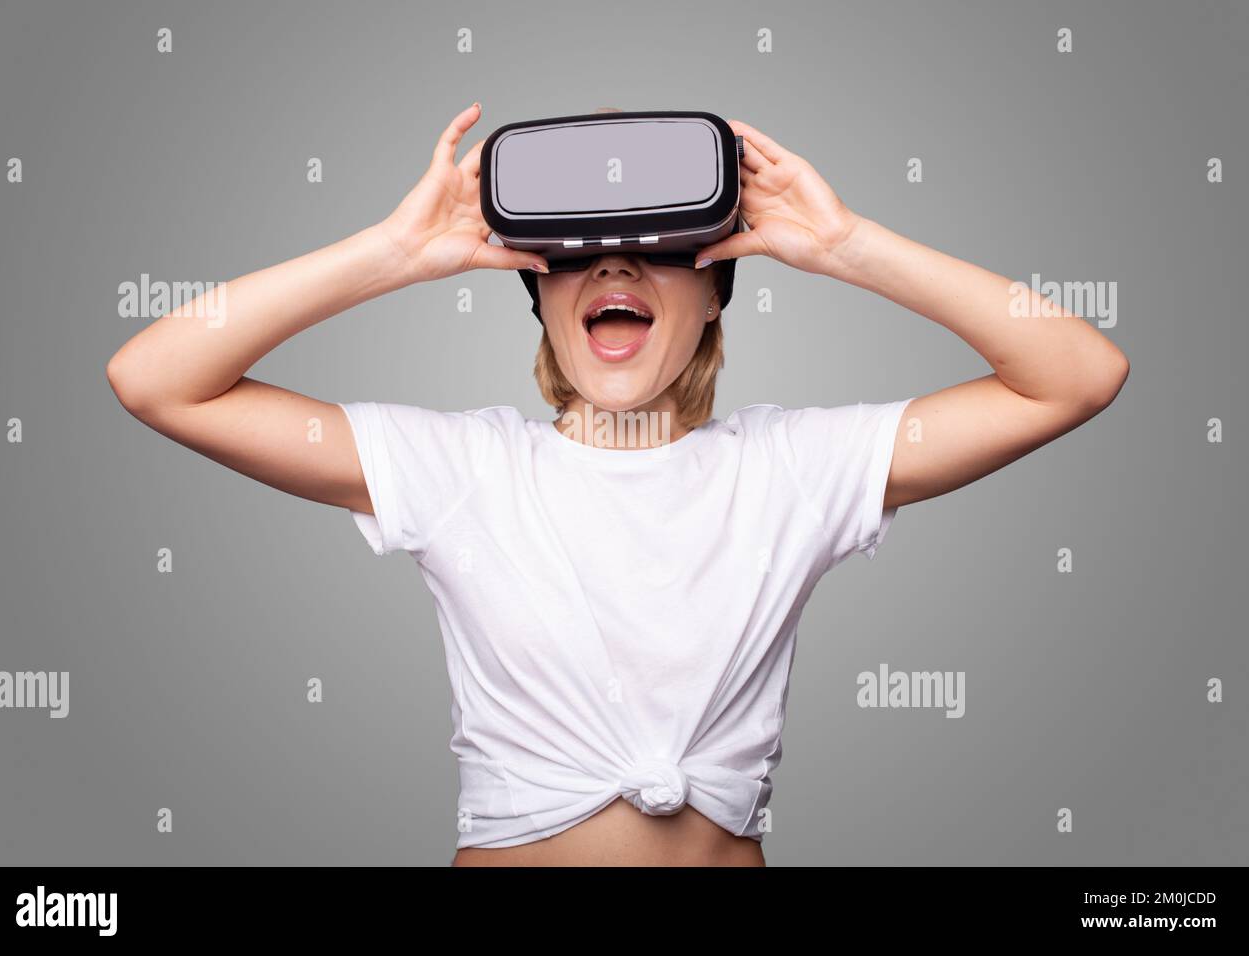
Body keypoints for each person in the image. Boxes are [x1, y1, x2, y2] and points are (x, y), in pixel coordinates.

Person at [106, 103, 1129, 866]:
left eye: (658, 247)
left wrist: (844, 245)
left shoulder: (789, 470)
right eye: (575, 251)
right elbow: (155, 379)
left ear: (714, 293)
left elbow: (1077, 374)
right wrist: (390, 254)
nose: (613, 269)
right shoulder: (464, 470)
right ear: (539, 295)